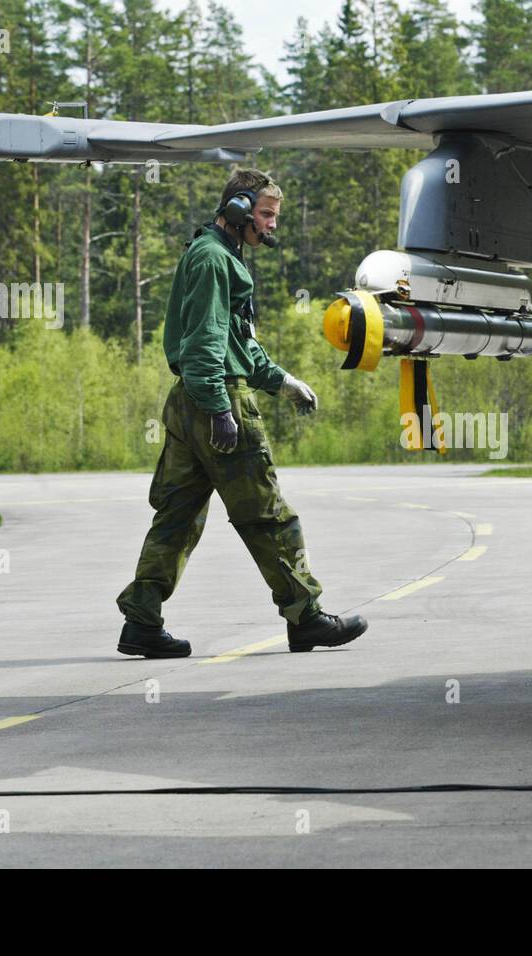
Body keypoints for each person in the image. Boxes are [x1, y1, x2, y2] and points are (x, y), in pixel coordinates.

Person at [115, 169, 367, 657]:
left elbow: (238, 344)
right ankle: (307, 616)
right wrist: (220, 410)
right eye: (266, 214)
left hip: (190, 401)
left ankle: (141, 621)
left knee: (177, 518)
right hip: (216, 400)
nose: (272, 225)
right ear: (237, 209)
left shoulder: (218, 256)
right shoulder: (213, 259)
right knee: (267, 515)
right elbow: (208, 341)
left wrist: (283, 383)